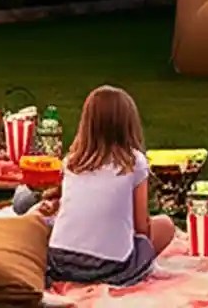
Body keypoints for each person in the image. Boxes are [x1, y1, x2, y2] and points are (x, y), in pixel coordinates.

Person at [46, 86, 175, 287]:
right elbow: (141, 227)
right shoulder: (134, 162)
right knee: (165, 225)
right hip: (109, 268)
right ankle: (140, 268)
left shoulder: (71, 161)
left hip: (59, 262)